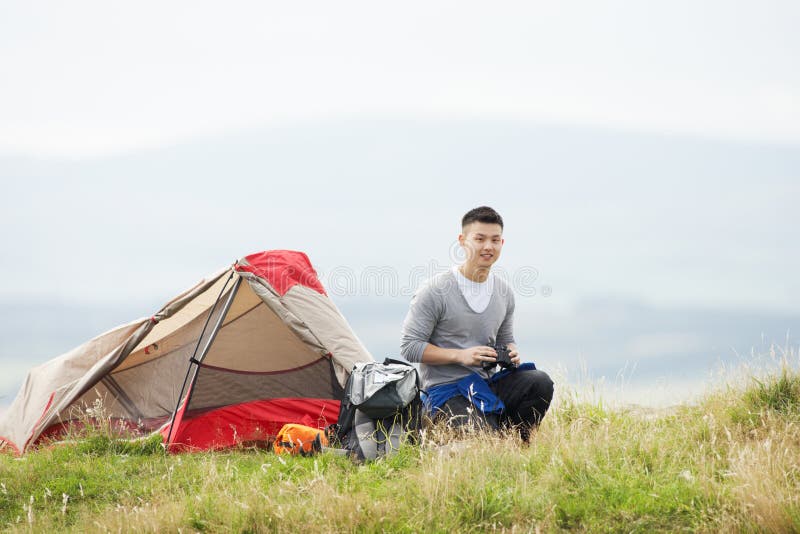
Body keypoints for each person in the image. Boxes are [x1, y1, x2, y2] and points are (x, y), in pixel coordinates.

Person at [400, 206, 553, 441]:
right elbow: (410, 347)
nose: (487, 246)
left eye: (494, 240)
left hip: (487, 383)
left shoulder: (504, 292)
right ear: (462, 241)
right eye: (479, 239)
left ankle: (519, 443)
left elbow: (505, 339)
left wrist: (511, 352)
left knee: (539, 382)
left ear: (502, 242)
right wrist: (461, 356)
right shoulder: (435, 291)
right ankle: (489, 433)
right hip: (445, 391)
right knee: (484, 442)